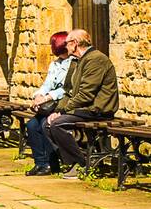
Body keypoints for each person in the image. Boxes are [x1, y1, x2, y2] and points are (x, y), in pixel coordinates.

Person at [45, 29, 119, 179]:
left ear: (75, 43)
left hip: (97, 110)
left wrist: (63, 111)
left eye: (67, 43)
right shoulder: (80, 61)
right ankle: (74, 162)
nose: (65, 46)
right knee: (47, 124)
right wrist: (58, 110)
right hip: (84, 109)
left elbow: (86, 95)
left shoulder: (95, 60)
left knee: (57, 124)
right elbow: (70, 92)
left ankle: (80, 164)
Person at [24, 31, 73, 176]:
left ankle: (52, 163)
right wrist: (39, 95)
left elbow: (66, 88)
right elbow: (48, 84)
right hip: (49, 104)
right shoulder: (55, 64)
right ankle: (41, 163)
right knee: (32, 125)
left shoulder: (72, 64)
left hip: (62, 104)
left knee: (45, 125)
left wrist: (47, 98)